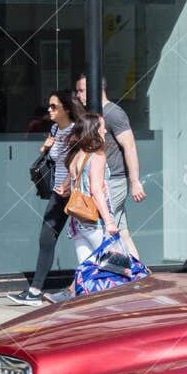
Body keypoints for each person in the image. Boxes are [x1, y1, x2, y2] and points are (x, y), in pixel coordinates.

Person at [8, 91, 81, 306]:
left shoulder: (76, 131)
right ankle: (35, 291)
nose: (49, 110)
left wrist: (68, 184)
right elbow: (51, 158)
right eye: (49, 106)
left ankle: (93, 286)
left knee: (87, 241)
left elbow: (79, 162)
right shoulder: (55, 128)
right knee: (46, 237)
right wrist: (45, 148)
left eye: (53, 106)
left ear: (66, 108)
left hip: (75, 193)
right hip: (58, 193)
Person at [73, 74, 146, 236]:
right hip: (106, 180)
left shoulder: (113, 113)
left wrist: (135, 182)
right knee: (121, 233)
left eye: (82, 90)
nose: (78, 95)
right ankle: (134, 262)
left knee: (103, 228)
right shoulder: (93, 114)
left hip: (114, 181)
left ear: (96, 90)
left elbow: (130, 146)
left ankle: (105, 261)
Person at [63, 113, 121, 264]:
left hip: (77, 222)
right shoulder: (97, 156)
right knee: (117, 267)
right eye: (102, 128)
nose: (105, 131)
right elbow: (96, 191)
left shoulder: (75, 155)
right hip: (95, 221)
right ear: (94, 131)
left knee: (88, 269)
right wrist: (109, 221)